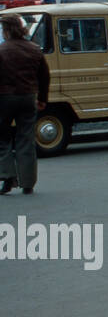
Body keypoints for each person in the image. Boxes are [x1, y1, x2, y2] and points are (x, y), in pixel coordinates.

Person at [0, 14, 51, 196]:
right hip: (29, 97)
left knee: (3, 137)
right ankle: (28, 182)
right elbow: (44, 76)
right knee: (26, 138)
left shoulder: (2, 50)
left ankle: (7, 177)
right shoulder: (34, 49)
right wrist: (42, 98)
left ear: (6, 30)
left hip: (4, 98)